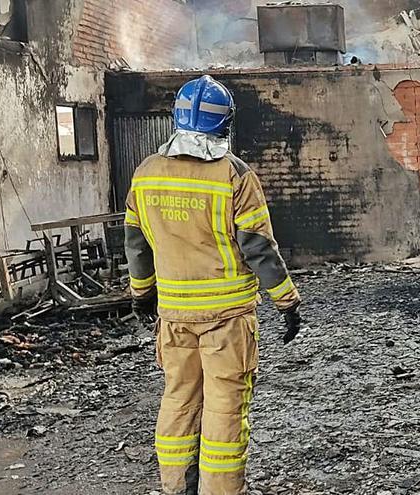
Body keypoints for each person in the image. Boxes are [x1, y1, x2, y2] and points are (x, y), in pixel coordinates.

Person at [124, 75, 302, 495]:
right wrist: (286, 302)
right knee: (224, 406)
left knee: (178, 400)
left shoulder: (147, 173)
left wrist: (141, 294)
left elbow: (136, 242)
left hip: (174, 317)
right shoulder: (235, 176)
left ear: (177, 119)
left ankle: (176, 486)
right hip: (227, 319)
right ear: (226, 123)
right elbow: (258, 248)